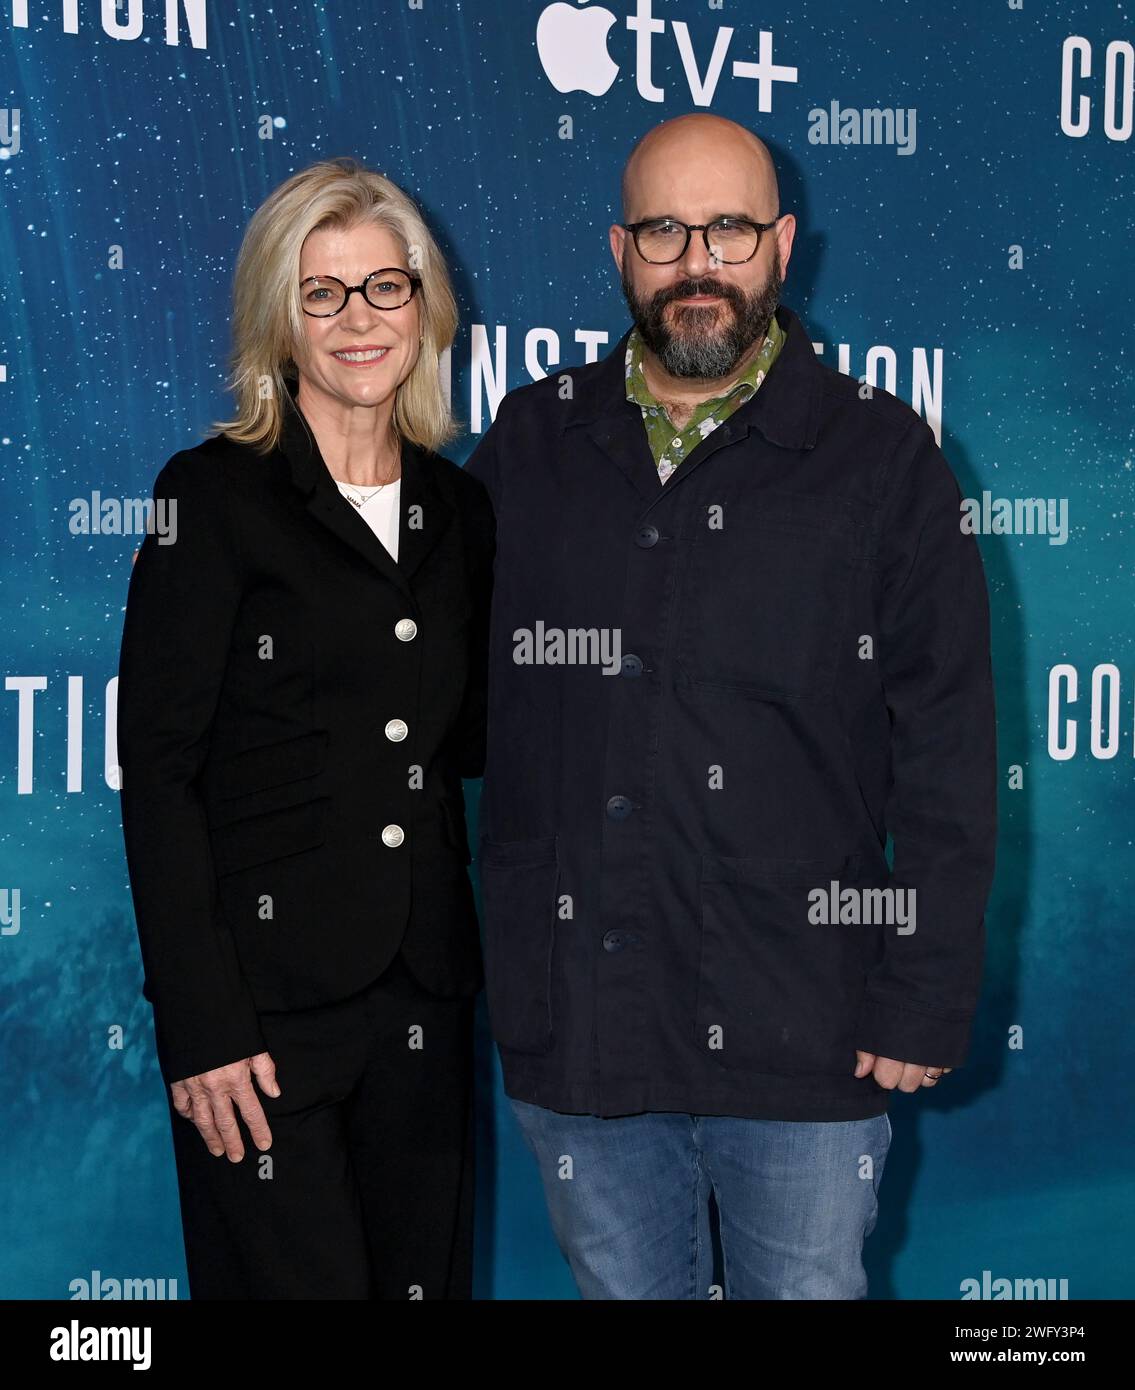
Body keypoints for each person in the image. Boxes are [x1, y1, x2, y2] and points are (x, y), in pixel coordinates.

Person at [464, 114, 996, 1300]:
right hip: (585, 1028)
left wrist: (922, 991)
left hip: (807, 1027)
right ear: (619, 248)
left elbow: (951, 751)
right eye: (663, 229)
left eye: (730, 228)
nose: (696, 259)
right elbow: (409, 637)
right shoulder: (531, 442)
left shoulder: (882, 457)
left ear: (782, 243)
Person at [117, 157, 494, 1299]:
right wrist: (201, 1027)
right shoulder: (211, 499)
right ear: (280, 320)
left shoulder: (462, 511)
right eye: (321, 293)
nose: (357, 320)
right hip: (261, 1021)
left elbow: (463, 745)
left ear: (424, 305)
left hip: (422, 1000)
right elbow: (159, 778)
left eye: (383, 286)